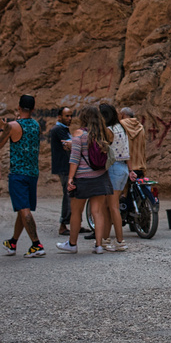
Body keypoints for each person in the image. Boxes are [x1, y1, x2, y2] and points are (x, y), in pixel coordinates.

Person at [56, 105, 113, 255]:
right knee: (98, 211)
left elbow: (74, 159)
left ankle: (72, 244)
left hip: (82, 178)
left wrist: (70, 178)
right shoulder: (103, 134)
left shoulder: (79, 134)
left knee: (76, 212)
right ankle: (99, 245)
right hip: (100, 176)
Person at [0, 94, 45, 257]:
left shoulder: (12, 126)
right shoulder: (36, 125)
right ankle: (13, 242)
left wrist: (4, 128)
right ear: (33, 109)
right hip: (33, 172)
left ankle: (36, 244)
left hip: (18, 173)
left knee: (24, 209)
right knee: (22, 207)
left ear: (18, 107)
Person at [99, 102, 134, 252]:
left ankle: (120, 241)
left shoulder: (108, 130)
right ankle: (105, 240)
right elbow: (127, 151)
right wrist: (130, 170)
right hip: (122, 168)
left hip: (112, 169)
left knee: (112, 207)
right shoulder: (121, 128)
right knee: (109, 207)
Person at [50, 106, 73, 235]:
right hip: (64, 167)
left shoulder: (63, 129)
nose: (69, 118)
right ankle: (63, 225)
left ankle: (74, 223)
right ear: (60, 117)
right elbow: (70, 145)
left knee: (72, 194)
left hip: (66, 166)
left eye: (70, 116)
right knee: (68, 195)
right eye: (67, 116)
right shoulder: (59, 129)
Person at [119, 107, 147, 177]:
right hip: (140, 167)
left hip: (127, 168)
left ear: (122, 115)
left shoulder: (120, 125)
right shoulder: (140, 127)